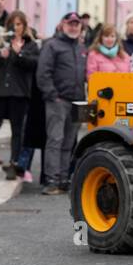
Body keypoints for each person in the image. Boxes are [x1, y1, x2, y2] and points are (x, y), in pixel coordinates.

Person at [0, 10, 39, 179]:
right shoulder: (1, 42)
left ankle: (14, 164)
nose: (15, 27)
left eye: (19, 24)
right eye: (12, 24)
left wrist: (18, 54)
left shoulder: (30, 44)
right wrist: (1, 55)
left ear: (24, 26)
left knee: (17, 130)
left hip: (19, 93)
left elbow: (33, 64)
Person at [36, 10, 87, 194]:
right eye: (70, 23)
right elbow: (43, 73)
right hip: (58, 101)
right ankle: (52, 180)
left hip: (77, 102)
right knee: (55, 140)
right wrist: (53, 95)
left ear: (80, 27)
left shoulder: (81, 48)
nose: (73, 27)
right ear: (63, 25)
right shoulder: (53, 45)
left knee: (69, 142)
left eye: (76, 24)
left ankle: (64, 179)